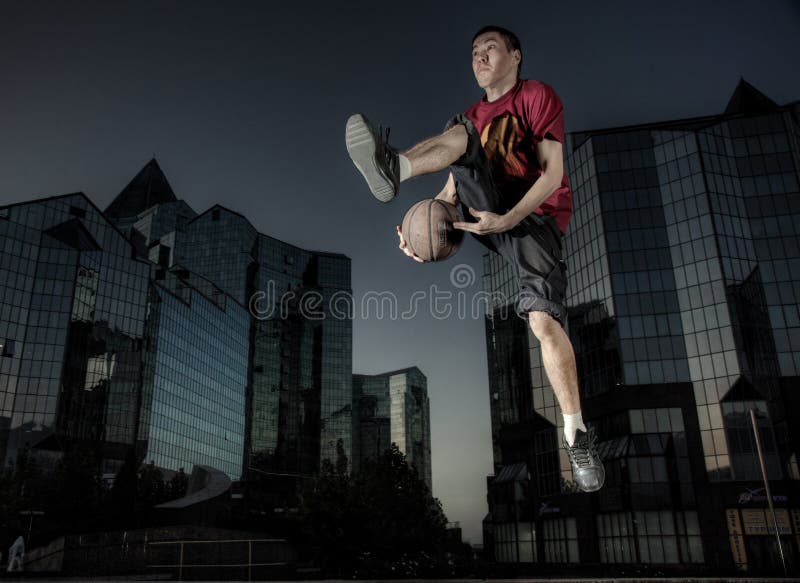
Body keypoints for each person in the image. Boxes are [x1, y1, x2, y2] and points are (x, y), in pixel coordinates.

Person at [345, 25, 603, 492]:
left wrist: (508, 220)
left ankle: (576, 434)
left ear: (516, 56)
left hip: (533, 218)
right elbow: (451, 194)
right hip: (484, 205)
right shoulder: (472, 116)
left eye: (490, 49)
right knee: (461, 131)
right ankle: (395, 166)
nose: (480, 57)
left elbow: (553, 175)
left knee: (543, 323)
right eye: (474, 52)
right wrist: (418, 234)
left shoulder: (536, 96)